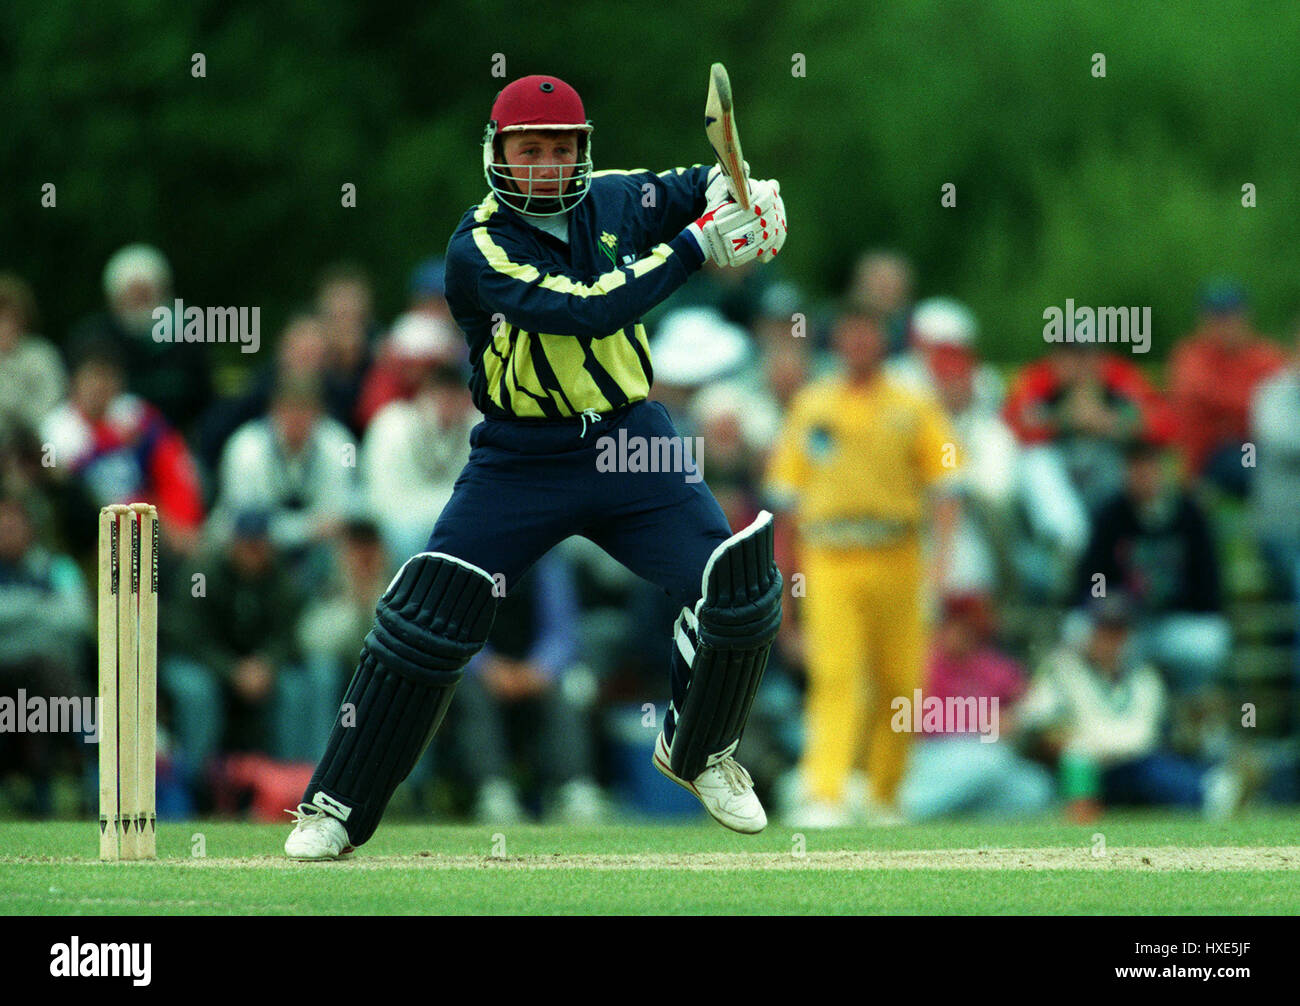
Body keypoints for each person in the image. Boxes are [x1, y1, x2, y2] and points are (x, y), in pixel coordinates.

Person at [285, 73, 788, 859]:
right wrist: (699, 246)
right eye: (531, 150)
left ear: (583, 152)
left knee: (738, 588)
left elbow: (689, 186)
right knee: (428, 615)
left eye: (562, 149)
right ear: (499, 154)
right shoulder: (476, 247)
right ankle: (337, 805)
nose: (547, 165)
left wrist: (742, 189)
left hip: (630, 442)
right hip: (521, 458)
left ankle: (700, 749)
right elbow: (586, 307)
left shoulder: (618, 198)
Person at [766, 304, 960, 827]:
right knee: (837, 674)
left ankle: (884, 796)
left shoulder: (913, 405)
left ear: (885, 340)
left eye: (868, 334)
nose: (858, 344)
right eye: (849, 333)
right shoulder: (811, 405)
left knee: (902, 681)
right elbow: (785, 500)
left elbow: (947, 487)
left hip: (898, 555)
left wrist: (939, 572)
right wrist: (784, 585)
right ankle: (824, 793)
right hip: (829, 556)